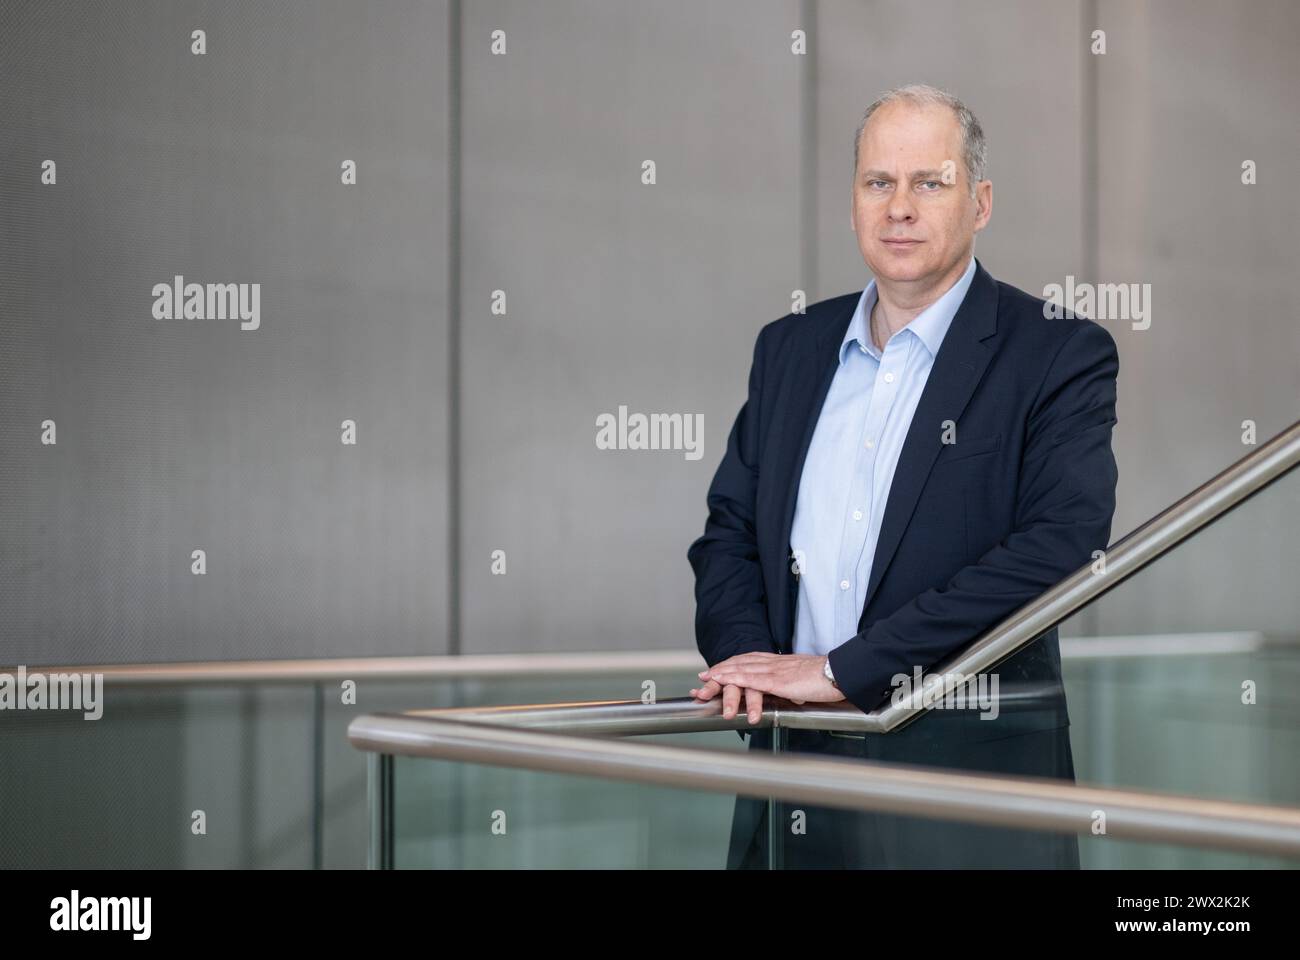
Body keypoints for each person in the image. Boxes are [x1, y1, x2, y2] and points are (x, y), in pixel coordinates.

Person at [686, 84, 1118, 868]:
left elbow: (1061, 548)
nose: (900, 207)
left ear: (980, 202)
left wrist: (843, 672)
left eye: (931, 181)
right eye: (878, 182)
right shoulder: (789, 348)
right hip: (796, 777)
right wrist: (754, 668)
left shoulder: (1055, 351)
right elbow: (730, 534)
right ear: (853, 201)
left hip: (968, 792)